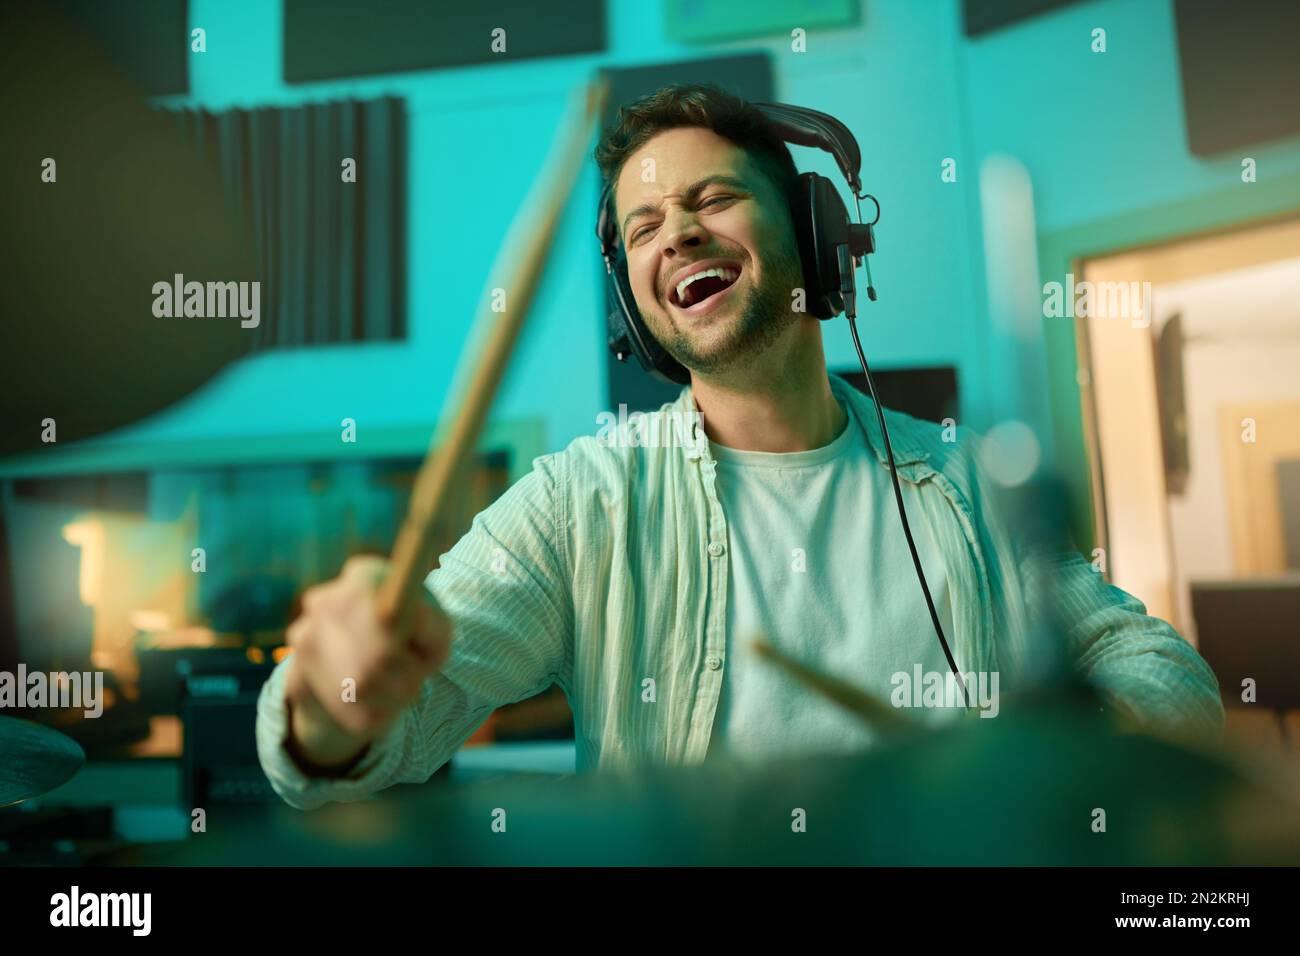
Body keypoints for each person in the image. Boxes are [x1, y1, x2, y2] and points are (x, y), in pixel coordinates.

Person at [256, 83, 1223, 811]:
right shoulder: (582, 504)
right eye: (642, 226)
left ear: (814, 234)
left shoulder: (966, 481)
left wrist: (1071, 754)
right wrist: (334, 702)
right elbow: (373, 739)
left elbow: (1160, 668)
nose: (675, 232)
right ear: (635, 311)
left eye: (711, 198)